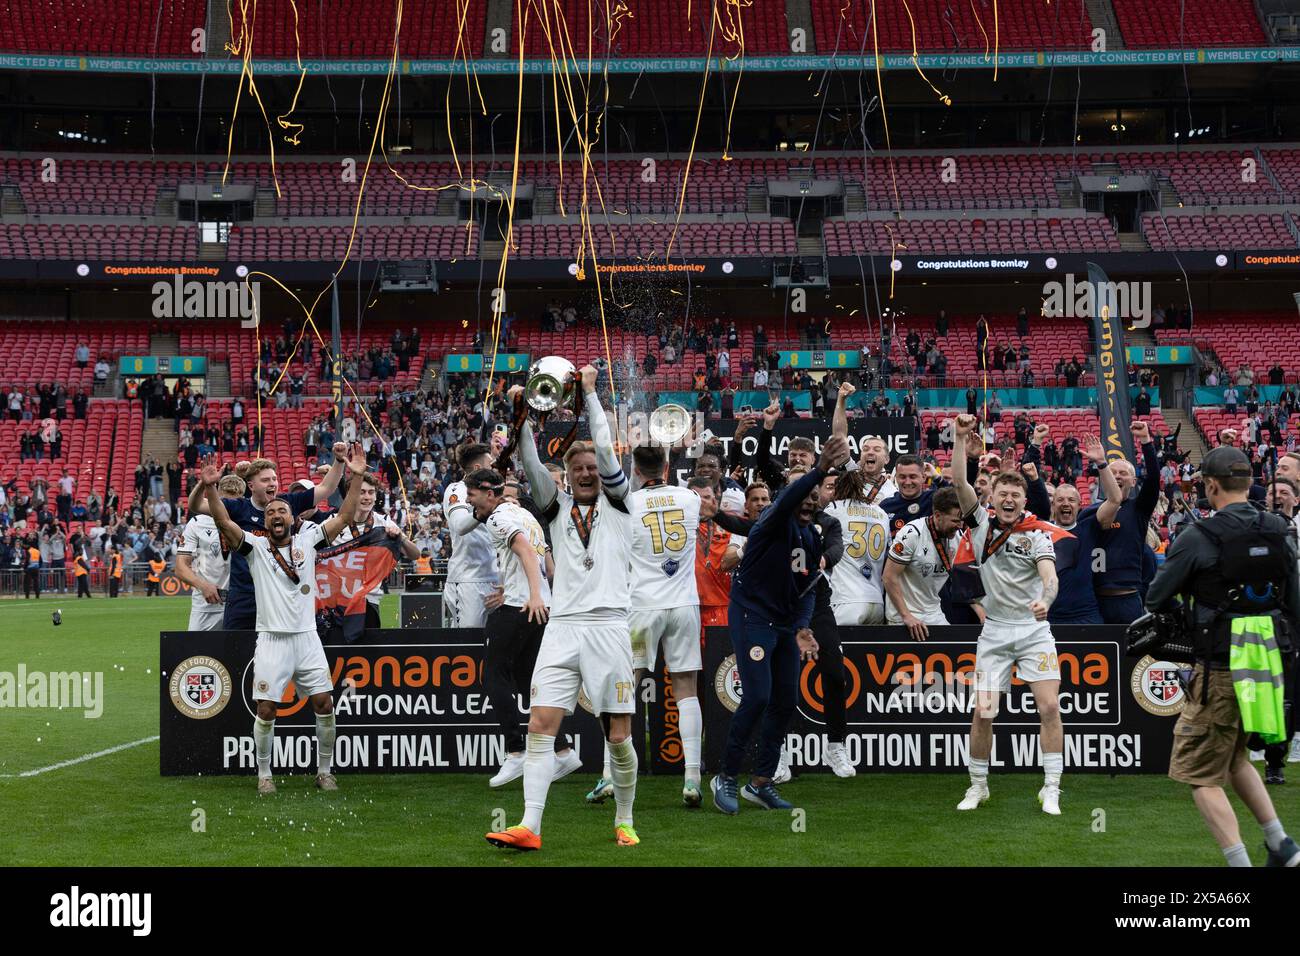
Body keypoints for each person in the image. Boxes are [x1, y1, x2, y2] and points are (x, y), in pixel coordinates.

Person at [486, 366, 640, 851]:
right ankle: (530, 826)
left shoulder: (620, 504)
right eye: (578, 469)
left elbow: (606, 447)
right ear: (568, 477)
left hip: (610, 627)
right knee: (538, 725)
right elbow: (531, 465)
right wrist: (525, 416)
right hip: (563, 628)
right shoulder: (554, 510)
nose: (587, 473)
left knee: (617, 736)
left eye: (592, 467)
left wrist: (591, 394)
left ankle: (625, 818)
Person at [1145, 446, 1300, 867]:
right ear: (1250, 483)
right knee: (1233, 758)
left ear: (1210, 486)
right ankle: (1281, 845)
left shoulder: (1198, 535)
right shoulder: (1280, 529)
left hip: (1220, 666)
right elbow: (1295, 602)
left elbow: (1156, 596)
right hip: (1269, 662)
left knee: (1200, 776)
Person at [201, 444, 369, 794]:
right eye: (271, 512)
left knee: (324, 704)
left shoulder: (309, 539)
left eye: (283, 510)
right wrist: (211, 488)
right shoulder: (255, 549)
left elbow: (345, 517)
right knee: (266, 708)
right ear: (265, 522)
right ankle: (264, 775)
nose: (277, 514)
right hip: (272, 640)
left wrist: (354, 478)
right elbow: (223, 521)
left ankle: (324, 771)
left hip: (307, 638)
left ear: (294, 517)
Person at [711, 435, 850, 815]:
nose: (809, 500)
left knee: (785, 700)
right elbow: (791, 497)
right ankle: (725, 776)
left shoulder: (812, 537)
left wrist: (804, 628)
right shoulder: (771, 521)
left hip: (785, 624)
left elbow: (806, 588)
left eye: (814, 495)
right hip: (751, 616)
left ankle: (761, 781)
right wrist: (818, 469)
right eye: (801, 494)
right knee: (756, 696)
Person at [950, 413, 1065, 816]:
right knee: (984, 711)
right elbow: (960, 483)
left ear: (1024, 499)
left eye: (1016, 494)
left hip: (1035, 631)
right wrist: (960, 438)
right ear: (993, 497)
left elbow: (1050, 579)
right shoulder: (979, 526)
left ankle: (1051, 787)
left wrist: (1045, 602)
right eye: (1003, 493)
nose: (1010, 499)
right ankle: (978, 786)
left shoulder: (1037, 533)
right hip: (996, 632)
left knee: (1049, 707)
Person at [465, 467, 581, 790]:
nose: (471, 505)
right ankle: (563, 749)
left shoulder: (497, 519)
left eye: (472, 497)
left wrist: (529, 595)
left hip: (521, 607)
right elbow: (545, 563)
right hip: (541, 608)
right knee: (528, 680)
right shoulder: (526, 516)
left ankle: (515, 751)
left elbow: (528, 554)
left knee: (493, 676)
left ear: (490, 494)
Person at [616, 444, 704, 805]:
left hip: (642, 605)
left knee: (626, 689)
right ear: (667, 467)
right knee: (686, 690)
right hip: (683, 603)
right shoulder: (690, 498)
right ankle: (693, 778)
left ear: (635, 470)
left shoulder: (628, 505)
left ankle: (611, 775)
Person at [190, 449, 348, 629]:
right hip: (244, 595)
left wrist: (339, 460)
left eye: (274, 479)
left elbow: (326, 488)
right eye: (265, 480)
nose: (272, 483)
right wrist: (204, 484)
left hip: (279, 593)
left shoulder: (287, 504)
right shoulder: (238, 507)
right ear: (251, 486)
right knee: (236, 651)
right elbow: (196, 505)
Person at [1047, 435, 1124, 626]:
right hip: (1048, 617)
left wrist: (1101, 463)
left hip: (1086, 615)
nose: (1066, 504)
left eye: (1071, 500)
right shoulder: (1042, 532)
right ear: (1053, 505)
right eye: (1060, 500)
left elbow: (1115, 499)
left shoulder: (1088, 527)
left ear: (1079, 505)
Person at [1094, 422, 1161, 625]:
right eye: (1112, 473)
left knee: (1129, 654)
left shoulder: (1139, 509)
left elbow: (1154, 479)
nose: (1117, 476)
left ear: (1133, 482)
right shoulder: (1091, 513)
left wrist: (1145, 441)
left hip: (1127, 598)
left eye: (1123, 473)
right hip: (1095, 598)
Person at [442, 443, 501, 628]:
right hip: (468, 580)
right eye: (490, 465)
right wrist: (481, 511)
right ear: (477, 468)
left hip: (496, 579)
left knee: (494, 644)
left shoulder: (494, 491)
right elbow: (459, 525)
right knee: (468, 645)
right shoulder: (456, 490)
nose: (494, 468)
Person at [176, 473, 246, 630]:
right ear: (217, 497)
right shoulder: (196, 523)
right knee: (197, 653)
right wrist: (202, 586)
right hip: (206, 604)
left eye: (234, 503)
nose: (228, 508)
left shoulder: (247, 521)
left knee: (241, 653)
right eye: (224, 502)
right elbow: (181, 567)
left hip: (241, 604)